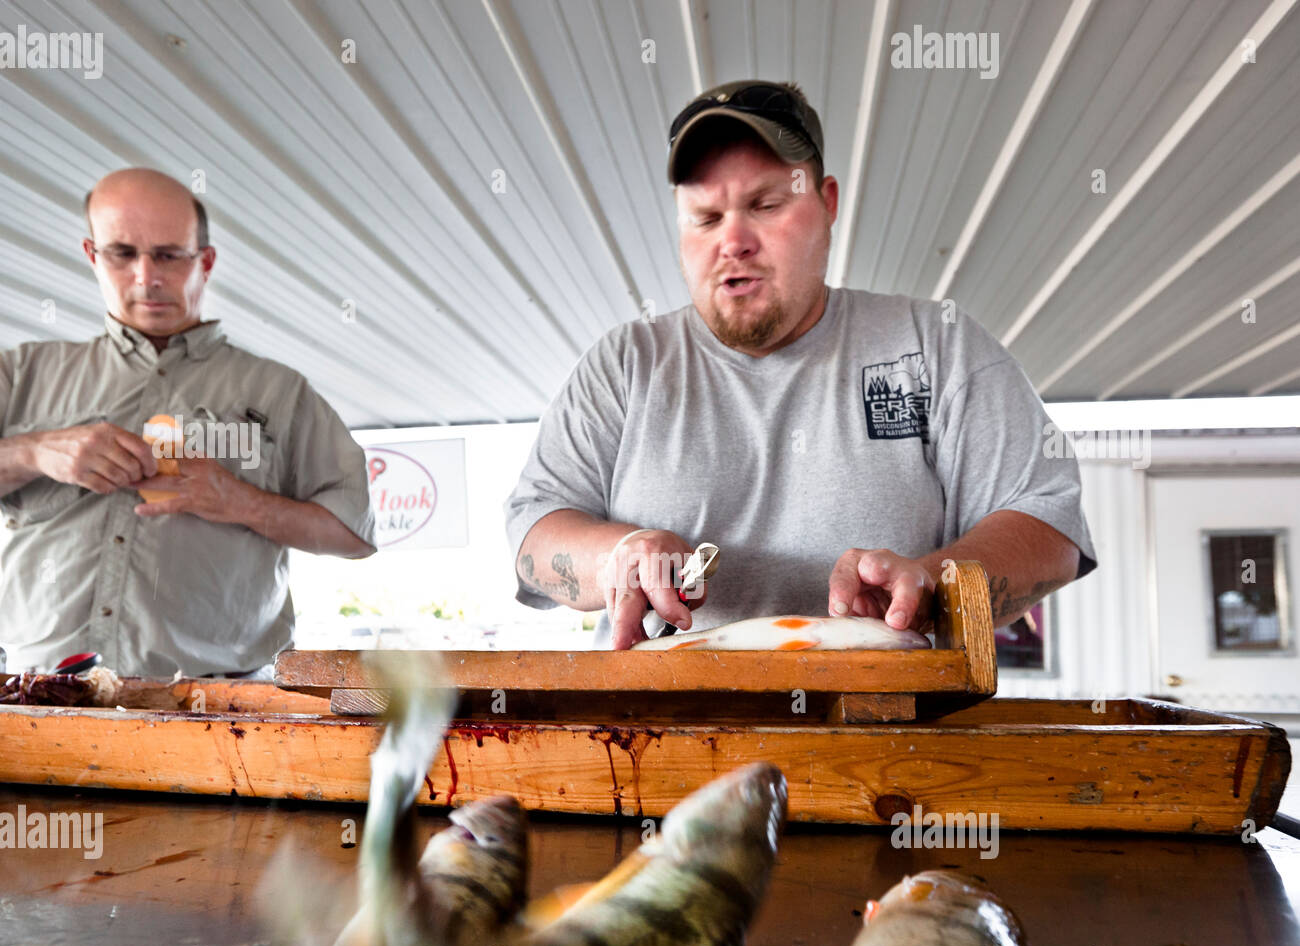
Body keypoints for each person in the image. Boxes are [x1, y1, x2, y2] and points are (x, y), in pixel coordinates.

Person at [506, 81, 1096, 650]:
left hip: (891, 740)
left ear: (827, 202)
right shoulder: (624, 365)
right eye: (705, 218)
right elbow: (533, 536)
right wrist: (616, 556)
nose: (733, 241)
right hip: (652, 742)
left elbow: (1049, 526)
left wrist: (933, 581)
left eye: (765, 204)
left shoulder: (935, 346)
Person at [0, 168, 376, 677]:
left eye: (168, 255)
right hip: (34, 699)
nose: (146, 276)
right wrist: (33, 452)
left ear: (206, 262)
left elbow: (354, 533)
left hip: (218, 715)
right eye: (122, 253)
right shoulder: (19, 374)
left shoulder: (280, 393)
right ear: (93, 255)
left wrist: (241, 501)